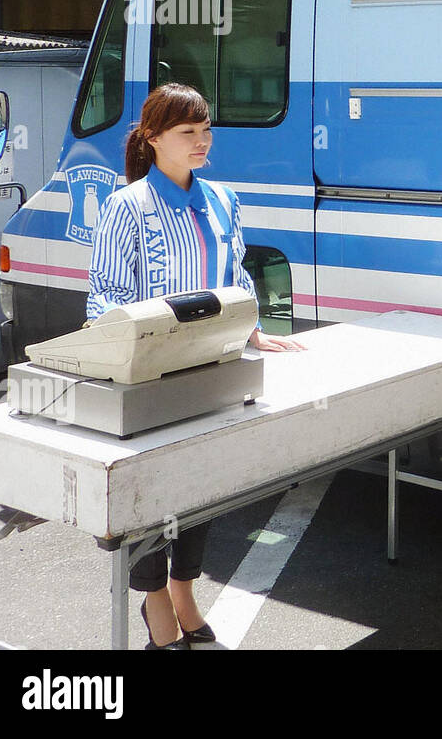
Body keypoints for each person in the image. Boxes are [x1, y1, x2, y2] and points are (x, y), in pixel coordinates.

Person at [87, 83, 304, 649]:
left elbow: (237, 278)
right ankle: (156, 602)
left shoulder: (223, 199)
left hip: (213, 366)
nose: (202, 141)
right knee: (150, 489)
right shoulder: (126, 206)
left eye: (206, 129)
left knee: (203, 485)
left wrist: (253, 329)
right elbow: (103, 299)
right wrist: (148, 344)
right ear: (153, 138)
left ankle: (184, 592)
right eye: (188, 132)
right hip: (150, 376)